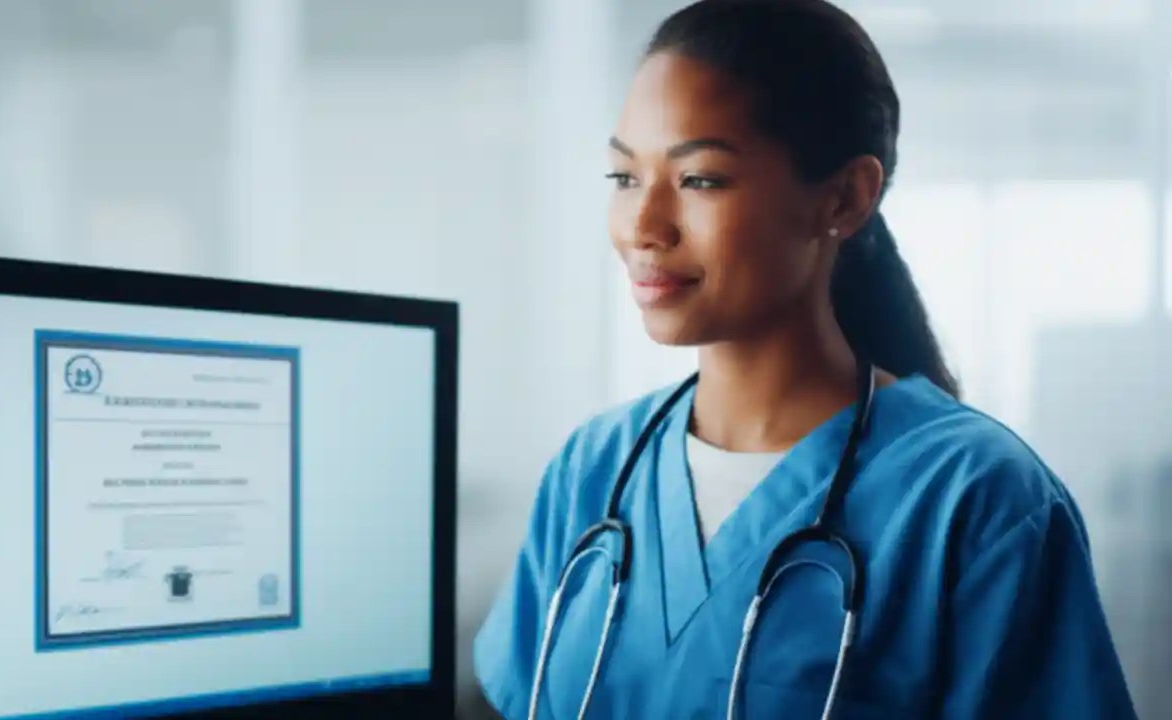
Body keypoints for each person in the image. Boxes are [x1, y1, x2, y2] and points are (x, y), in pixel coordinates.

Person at [474, 0, 1137, 718]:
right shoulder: (595, 470)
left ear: (846, 198)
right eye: (623, 178)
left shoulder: (976, 500)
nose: (643, 226)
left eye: (700, 179)